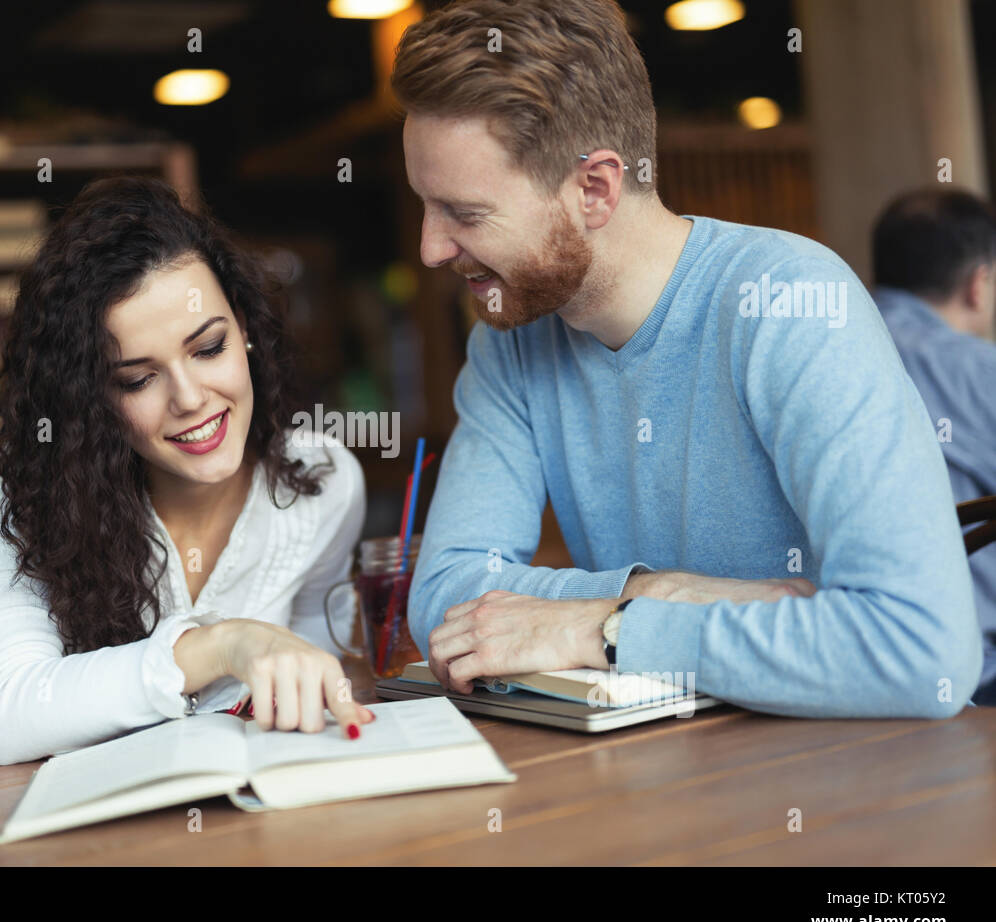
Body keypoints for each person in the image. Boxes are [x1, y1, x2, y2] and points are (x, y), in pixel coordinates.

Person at [396, 0, 981, 717]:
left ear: (594, 189)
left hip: (859, 785)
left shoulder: (788, 301)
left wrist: (606, 627)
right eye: (426, 206)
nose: (430, 248)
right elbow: (445, 600)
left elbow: (921, 650)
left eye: (464, 213)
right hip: (675, 783)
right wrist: (664, 591)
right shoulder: (509, 342)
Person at [0, 177, 373, 765]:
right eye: (137, 379)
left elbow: (319, 664)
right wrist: (223, 645)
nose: (190, 398)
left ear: (245, 332)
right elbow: (6, 715)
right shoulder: (38, 491)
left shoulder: (324, 481)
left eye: (209, 348)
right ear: (90, 399)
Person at [870, 189, 996, 705]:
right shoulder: (979, 370)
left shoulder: (827, 347)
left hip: (854, 657)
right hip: (978, 676)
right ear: (977, 284)